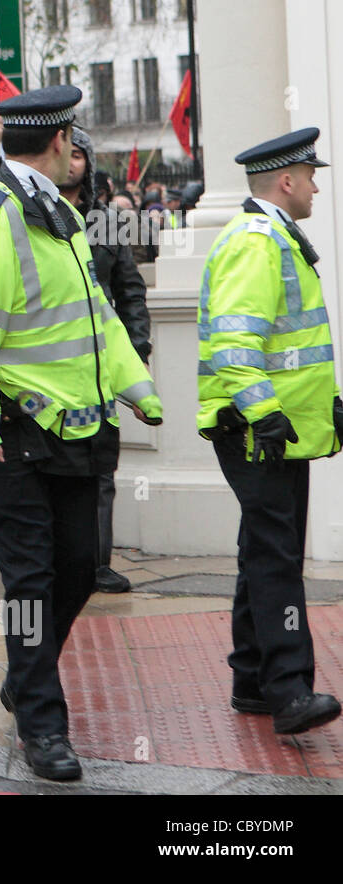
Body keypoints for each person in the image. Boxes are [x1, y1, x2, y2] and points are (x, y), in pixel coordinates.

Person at [0, 85, 162, 781]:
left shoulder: (59, 211)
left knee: (79, 564)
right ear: (62, 143)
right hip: (10, 432)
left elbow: (97, 318)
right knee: (31, 580)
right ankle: (42, 725)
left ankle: (23, 675)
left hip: (74, 429)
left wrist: (138, 389)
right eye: (75, 141)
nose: (78, 153)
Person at [199, 127, 341, 736]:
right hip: (261, 431)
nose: (314, 185)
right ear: (286, 181)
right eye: (310, 175)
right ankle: (289, 692)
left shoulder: (272, 235)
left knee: (261, 550)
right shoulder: (259, 241)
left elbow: (291, 347)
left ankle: (254, 679)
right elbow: (236, 341)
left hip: (276, 430)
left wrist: (321, 407)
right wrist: (264, 413)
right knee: (277, 558)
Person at [59, 127, 152, 595]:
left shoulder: (107, 223)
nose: (72, 163)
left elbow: (131, 291)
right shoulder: (37, 216)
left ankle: (98, 563)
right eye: (66, 153)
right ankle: (62, 563)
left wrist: (137, 357)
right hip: (50, 369)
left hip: (102, 367)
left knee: (100, 470)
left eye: (80, 155)